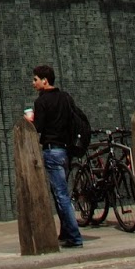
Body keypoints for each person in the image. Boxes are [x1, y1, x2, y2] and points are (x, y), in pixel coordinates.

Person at [31, 64, 84, 248]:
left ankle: (75, 237)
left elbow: (38, 127)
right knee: (59, 193)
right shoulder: (65, 97)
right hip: (66, 150)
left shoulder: (41, 102)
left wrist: (30, 120)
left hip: (52, 150)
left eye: (35, 79)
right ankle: (66, 232)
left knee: (61, 195)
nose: (33, 83)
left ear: (45, 80)